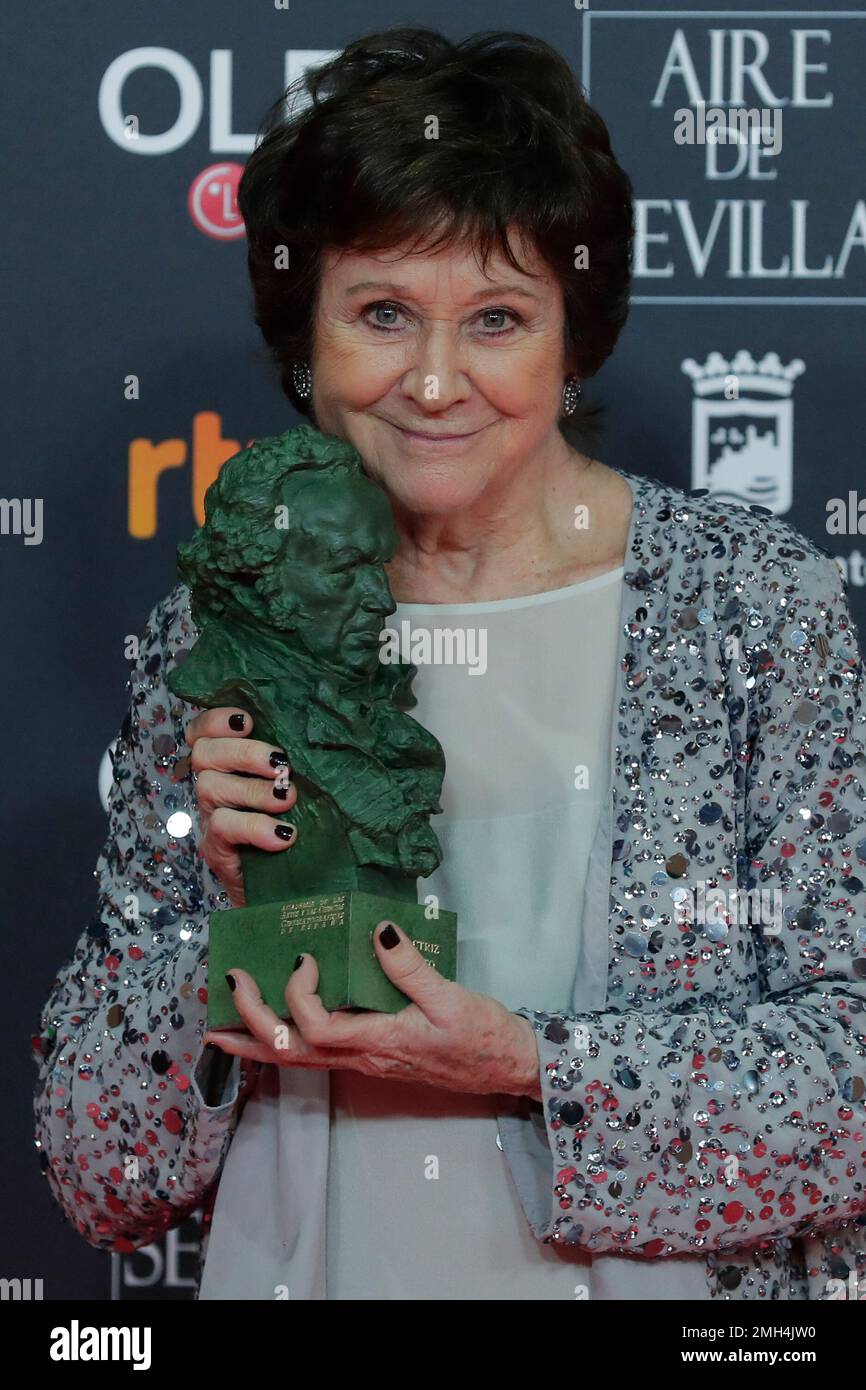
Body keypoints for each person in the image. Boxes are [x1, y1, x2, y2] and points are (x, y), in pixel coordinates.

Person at [33, 27, 866, 1302]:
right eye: (379, 313)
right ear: (303, 335)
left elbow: (848, 1084)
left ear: (569, 341)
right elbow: (100, 1170)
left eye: (495, 318)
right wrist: (220, 913)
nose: (432, 381)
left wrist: (528, 1064)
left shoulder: (752, 609)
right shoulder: (218, 636)